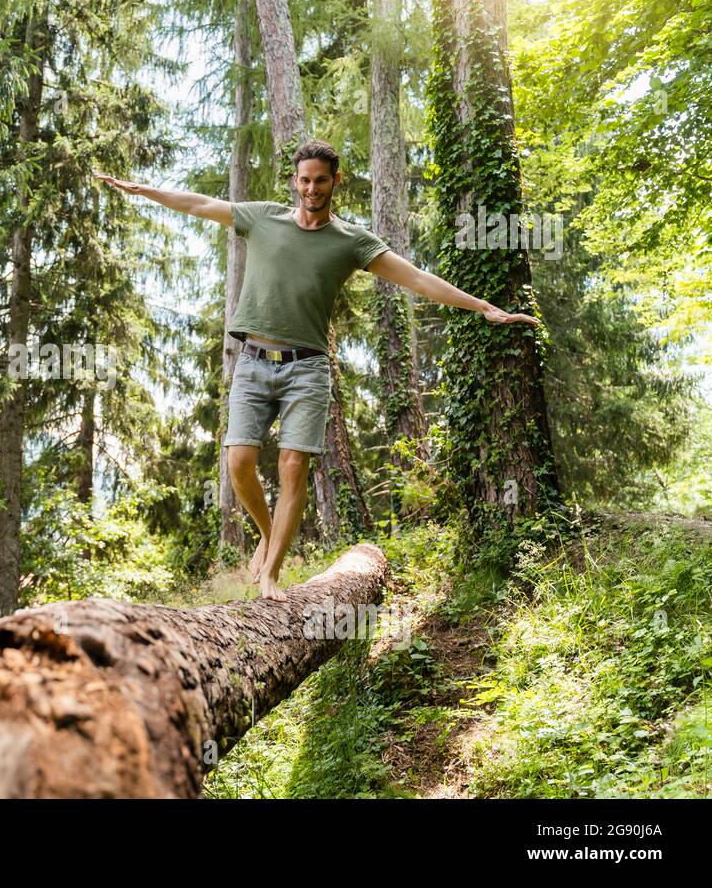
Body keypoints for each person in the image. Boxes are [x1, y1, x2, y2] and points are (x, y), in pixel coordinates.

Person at [95, 139, 540, 600]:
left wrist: (482, 306)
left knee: (293, 466)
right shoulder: (262, 217)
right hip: (252, 363)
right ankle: (267, 534)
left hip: (307, 370)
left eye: (321, 180)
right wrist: (144, 190)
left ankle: (271, 572)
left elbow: (416, 277)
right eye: (304, 180)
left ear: (335, 182)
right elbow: (203, 204)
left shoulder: (351, 241)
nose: (312, 188)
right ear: (295, 180)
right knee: (239, 464)